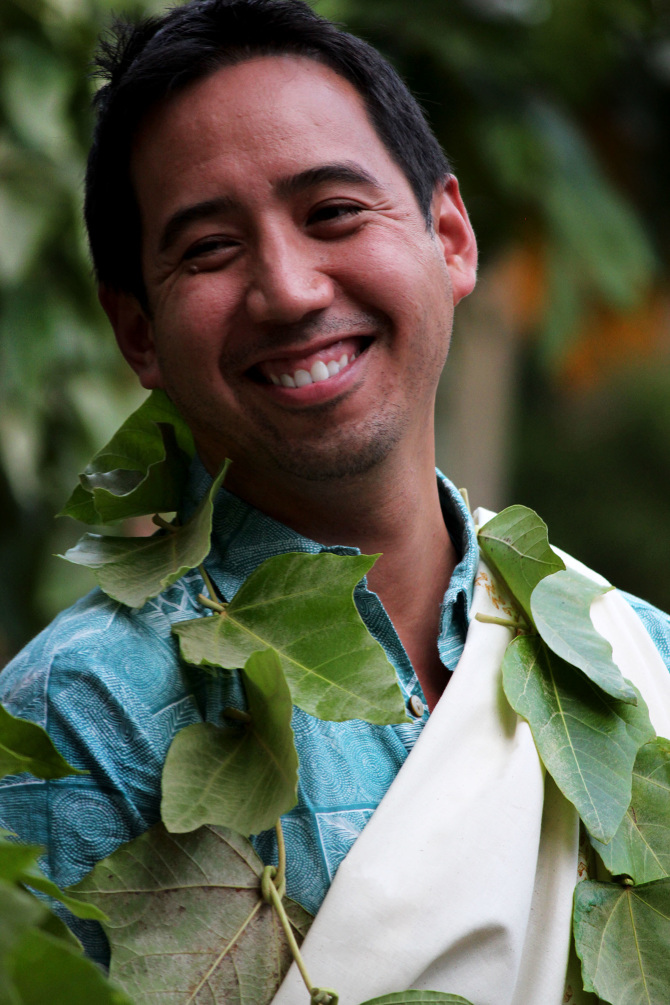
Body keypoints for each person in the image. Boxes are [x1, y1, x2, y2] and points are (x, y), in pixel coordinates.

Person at [1, 1, 670, 1002]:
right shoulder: (81, 716)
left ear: (449, 236)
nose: (290, 288)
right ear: (137, 334)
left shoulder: (636, 661)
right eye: (211, 249)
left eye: (333, 214)